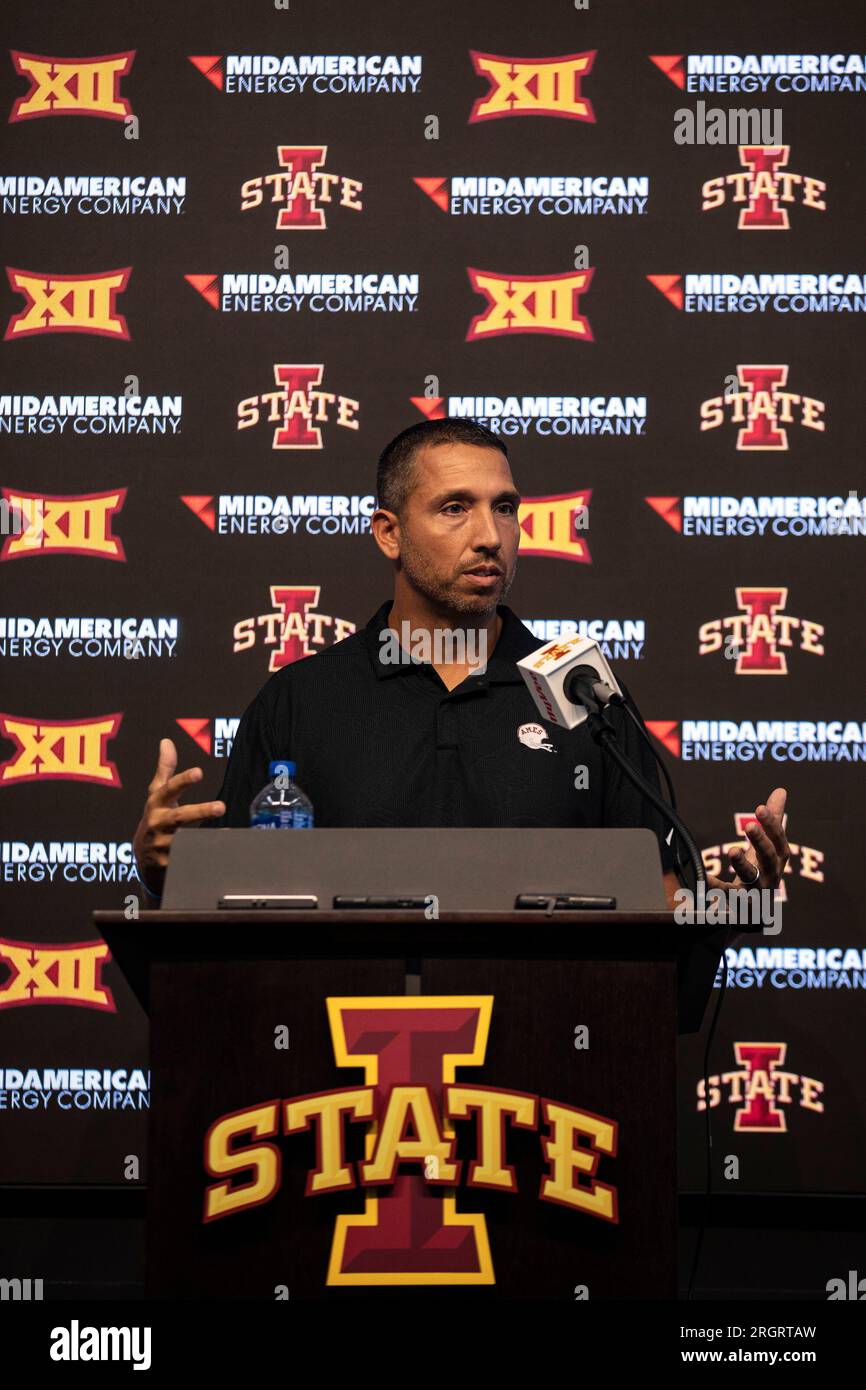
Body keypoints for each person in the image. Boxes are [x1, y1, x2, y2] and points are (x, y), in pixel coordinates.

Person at [132, 418, 789, 906]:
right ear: (388, 532)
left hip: (547, 1061)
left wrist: (727, 904)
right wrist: (166, 872)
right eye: (455, 508)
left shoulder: (585, 691)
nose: (489, 536)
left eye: (505, 509)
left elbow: (658, 893)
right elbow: (235, 908)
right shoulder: (302, 700)